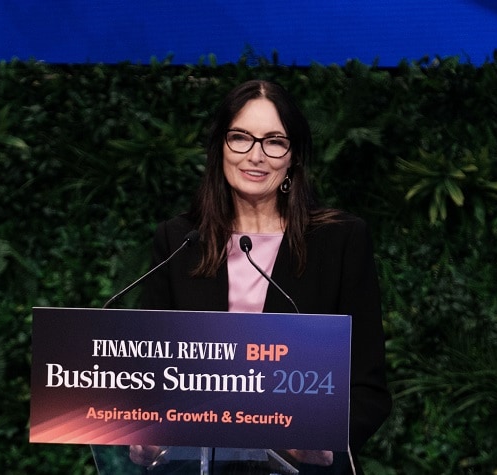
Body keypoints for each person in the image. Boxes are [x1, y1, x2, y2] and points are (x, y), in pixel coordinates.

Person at [136, 79, 392, 474]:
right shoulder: (179, 240)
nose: (256, 156)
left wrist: (324, 438)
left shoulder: (340, 240)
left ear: (293, 157)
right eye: (240, 138)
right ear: (220, 147)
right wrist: (141, 431)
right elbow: (147, 376)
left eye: (274, 141)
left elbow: (368, 389)